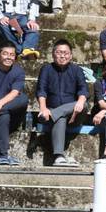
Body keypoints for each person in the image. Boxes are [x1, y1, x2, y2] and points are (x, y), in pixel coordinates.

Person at [36, 39, 87, 168]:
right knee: (61, 116)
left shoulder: (77, 70)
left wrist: (80, 101)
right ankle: (59, 156)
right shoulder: (46, 69)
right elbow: (41, 90)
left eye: (65, 53)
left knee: (84, 105)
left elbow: (83, 89)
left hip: (74, 113)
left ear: (70, 55)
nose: (62, 56)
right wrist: (43, 108)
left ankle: (54, 114)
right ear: (53, 54)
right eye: (59, 52)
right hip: (53, 111)